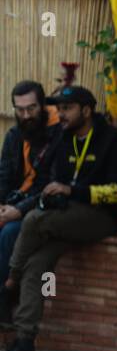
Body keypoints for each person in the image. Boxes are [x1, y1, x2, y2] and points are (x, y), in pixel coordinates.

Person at [0, 87, 117, 351]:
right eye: (58, 108)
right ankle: (25, 342)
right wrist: (59, 193)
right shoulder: (63, 138)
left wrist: (73, 191)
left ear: (86, 110)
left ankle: (10, 278)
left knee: (35, 219)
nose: (60, 114)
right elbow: (53, 182)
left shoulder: (112, 139)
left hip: (102, 217)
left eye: (67, 108)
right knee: (37, 265)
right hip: (68, 217)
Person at [0, 81, 60, 289]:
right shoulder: (14, 136)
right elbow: (4, 176)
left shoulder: (59, 135)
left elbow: (54, 185)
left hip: (42, 207)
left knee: (10, 232)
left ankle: (4, 301)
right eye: (20, 109)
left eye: (31, 108)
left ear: (42, 105)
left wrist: (19, 210)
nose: (26, 115)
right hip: (14, 204)